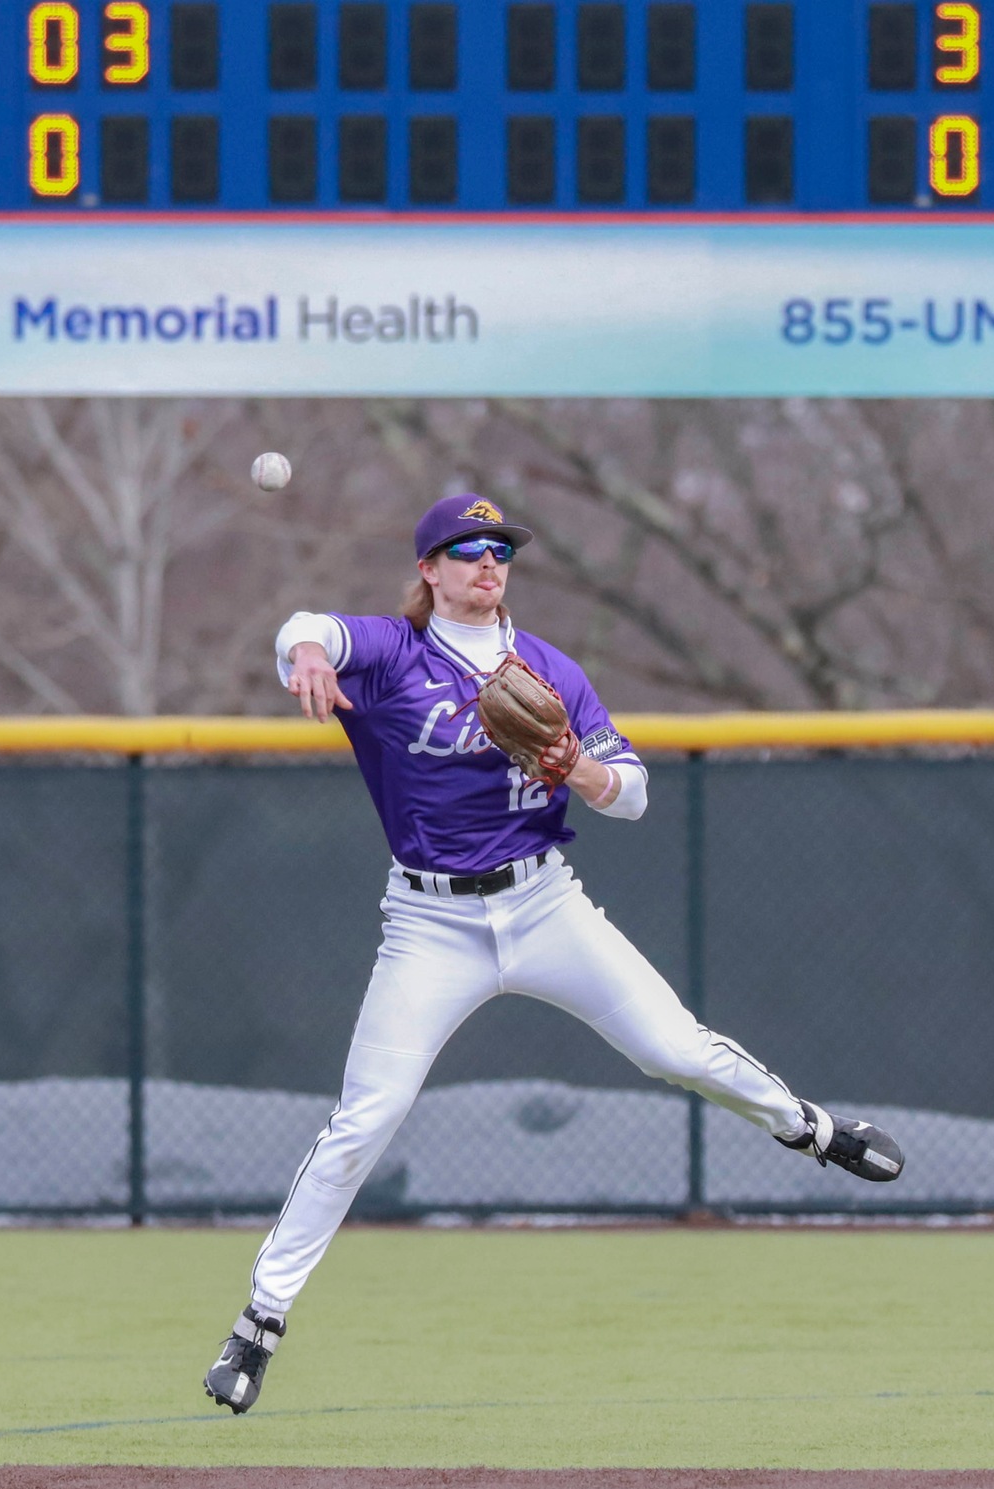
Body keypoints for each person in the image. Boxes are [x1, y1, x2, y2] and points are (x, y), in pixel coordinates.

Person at [203, 494, 903, 1416]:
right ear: (429, 569)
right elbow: (310, 628)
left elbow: (635, 795)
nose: (487, 563)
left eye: (500, 550)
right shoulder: (391, 652)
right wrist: (301, 652)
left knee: (673, 1048)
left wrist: (577, 769)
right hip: (428, 924)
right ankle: (258, 1322)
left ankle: (810, 1128)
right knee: (364, 1122)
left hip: (542, 901)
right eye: (466, 550)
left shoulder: (550, 670)